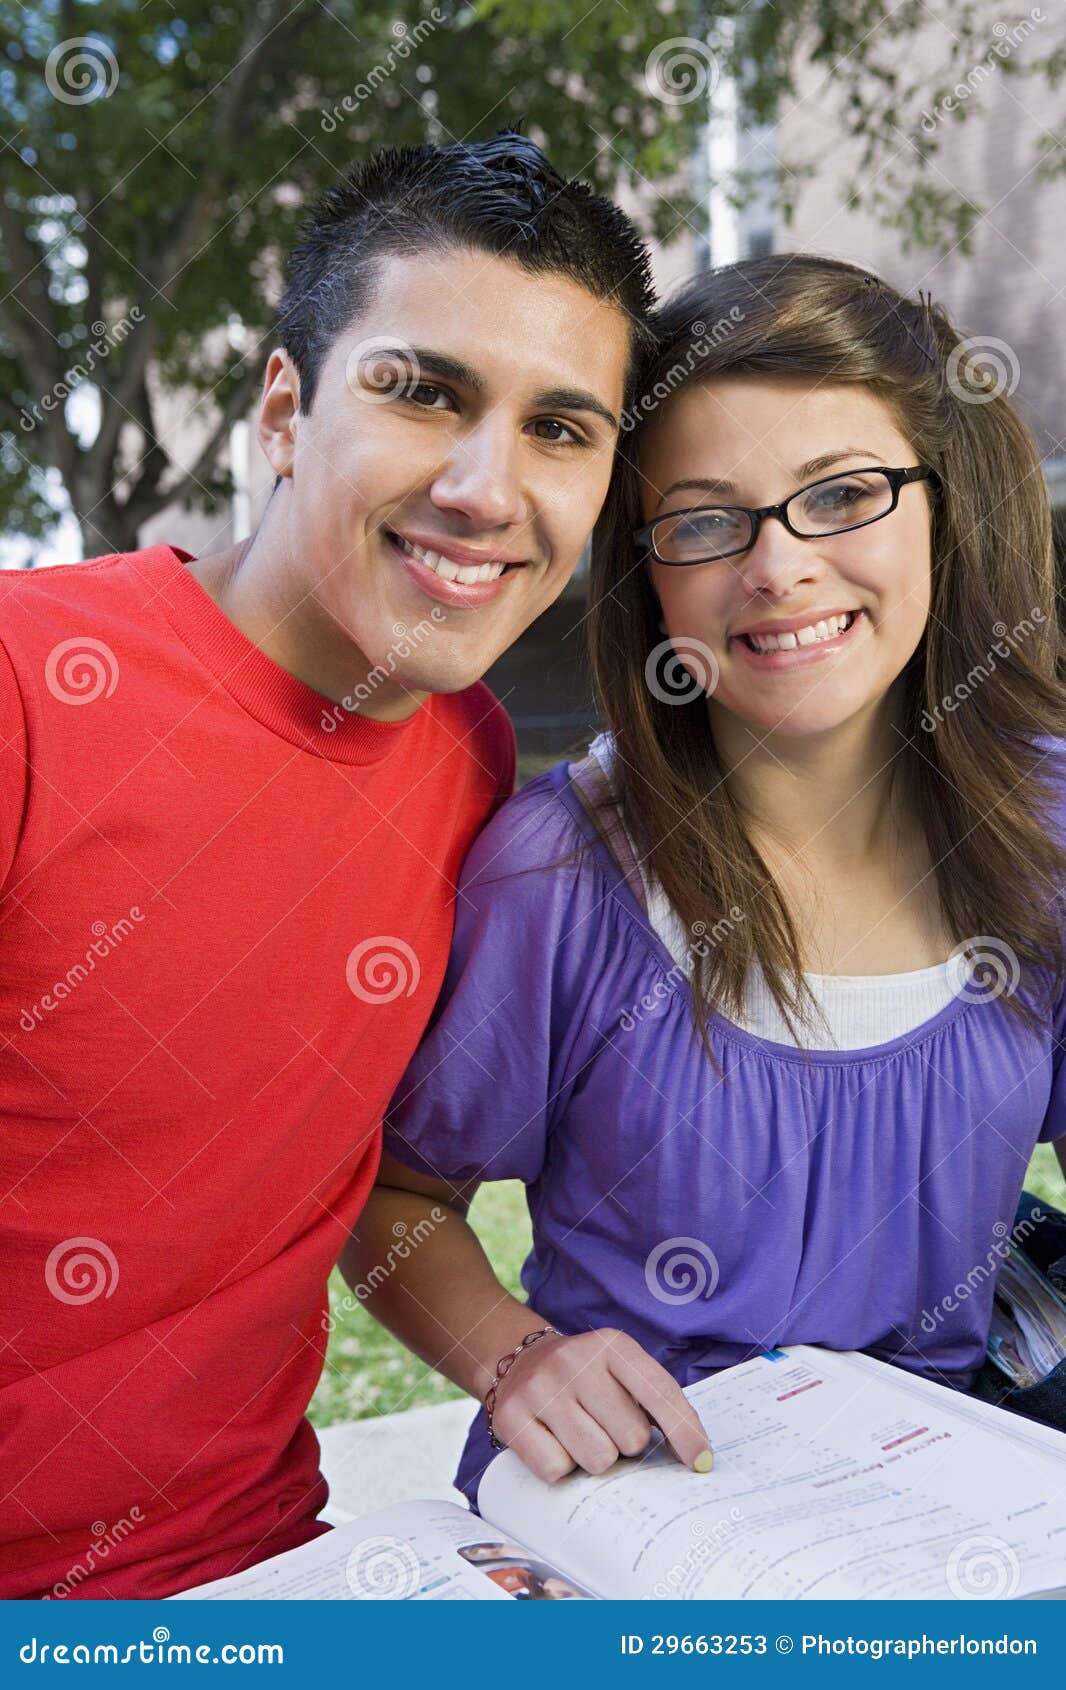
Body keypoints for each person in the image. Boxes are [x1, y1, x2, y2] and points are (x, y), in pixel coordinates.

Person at [0, 131, 654, 1599]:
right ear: (284, 410)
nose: (488, 489)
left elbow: (338, 1160)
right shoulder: (29, 687)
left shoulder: (471, 756)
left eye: (561, 428)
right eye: (421, 393)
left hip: (269, 1571)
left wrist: (513, 1350)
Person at [347, 254, 1066, 1511]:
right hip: (633, 1513)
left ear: (943, 510)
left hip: (948, 1511)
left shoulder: (1044, 824)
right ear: (646, 571)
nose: (778, 567)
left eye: (841, 495)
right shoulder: (556, 875)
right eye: (702, 519)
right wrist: (514, 1358)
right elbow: (392, 1201)